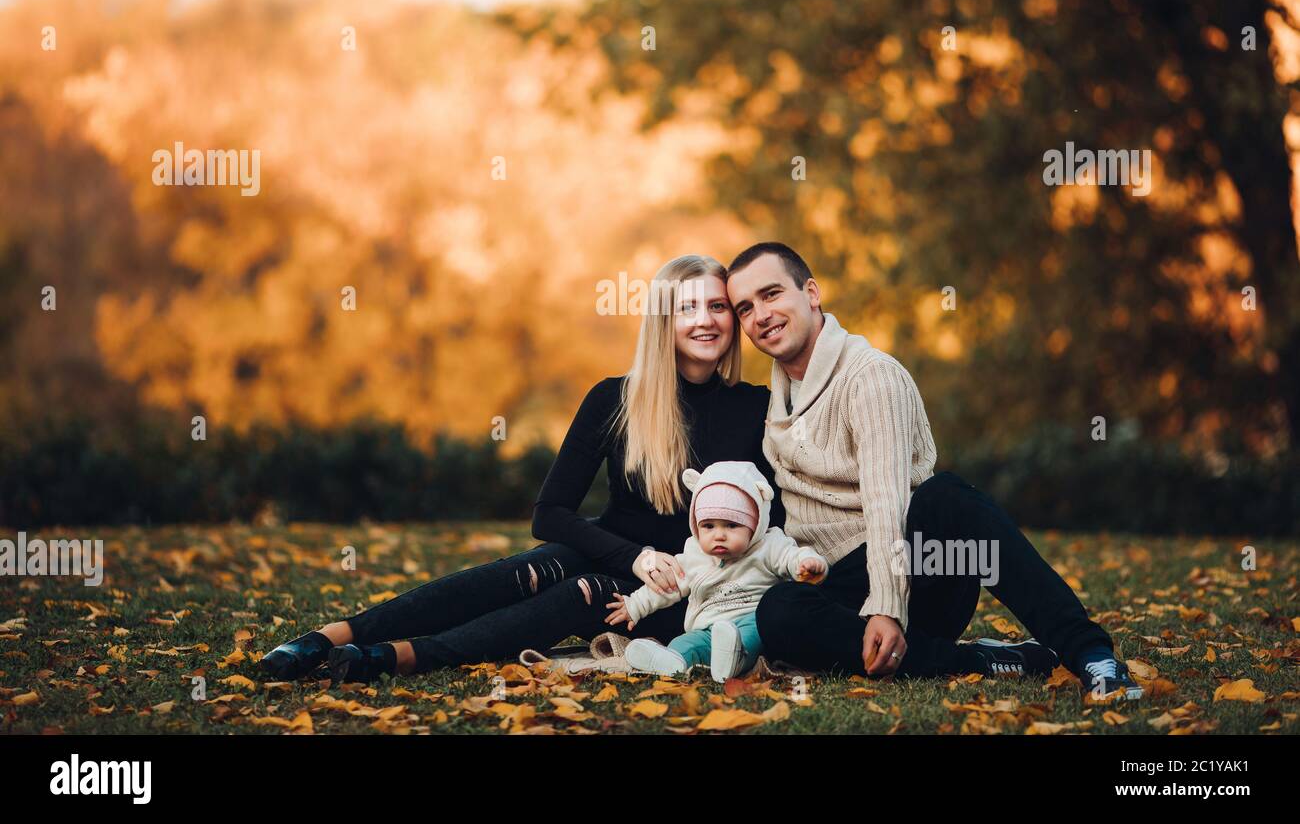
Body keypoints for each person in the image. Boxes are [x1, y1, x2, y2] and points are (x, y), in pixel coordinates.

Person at [259, 254, 783, 683]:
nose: (705, 319)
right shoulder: (615, 399)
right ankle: (331, 637)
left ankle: (401, 656)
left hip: (685, 589)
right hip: (616, 550)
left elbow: (770, 518)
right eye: (686, 306)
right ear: (663, 319)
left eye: (717, 306)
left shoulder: (757, 408)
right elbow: (549, 513)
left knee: (584, 594)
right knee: (530, 570)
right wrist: (636, 555)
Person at [725, 242, 1143, 702]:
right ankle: (978, 660)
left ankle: (1092, 655)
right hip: (837, 588)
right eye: (745, 308)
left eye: (771, 295)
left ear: (811, 292)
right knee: (779, 611)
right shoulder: (774, 406)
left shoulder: (871, 377)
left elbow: (887, 503)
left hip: (916, 570)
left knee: (946, 496)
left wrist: (887, 607)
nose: (760, 315)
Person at [604, 460, 827, 682]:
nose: (719, 535)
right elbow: (668, 584)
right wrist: (635, 605)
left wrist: (807, 562)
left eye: (732, 525)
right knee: (685, 642)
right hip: (707, 629)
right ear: (696, 525)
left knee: (753, 632)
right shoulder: (694, 556)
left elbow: (792, 556)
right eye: (709, 526)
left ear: (756, 524)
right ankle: (672, 660)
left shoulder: (768, 546)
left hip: (751, 621)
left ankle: (736, 658)